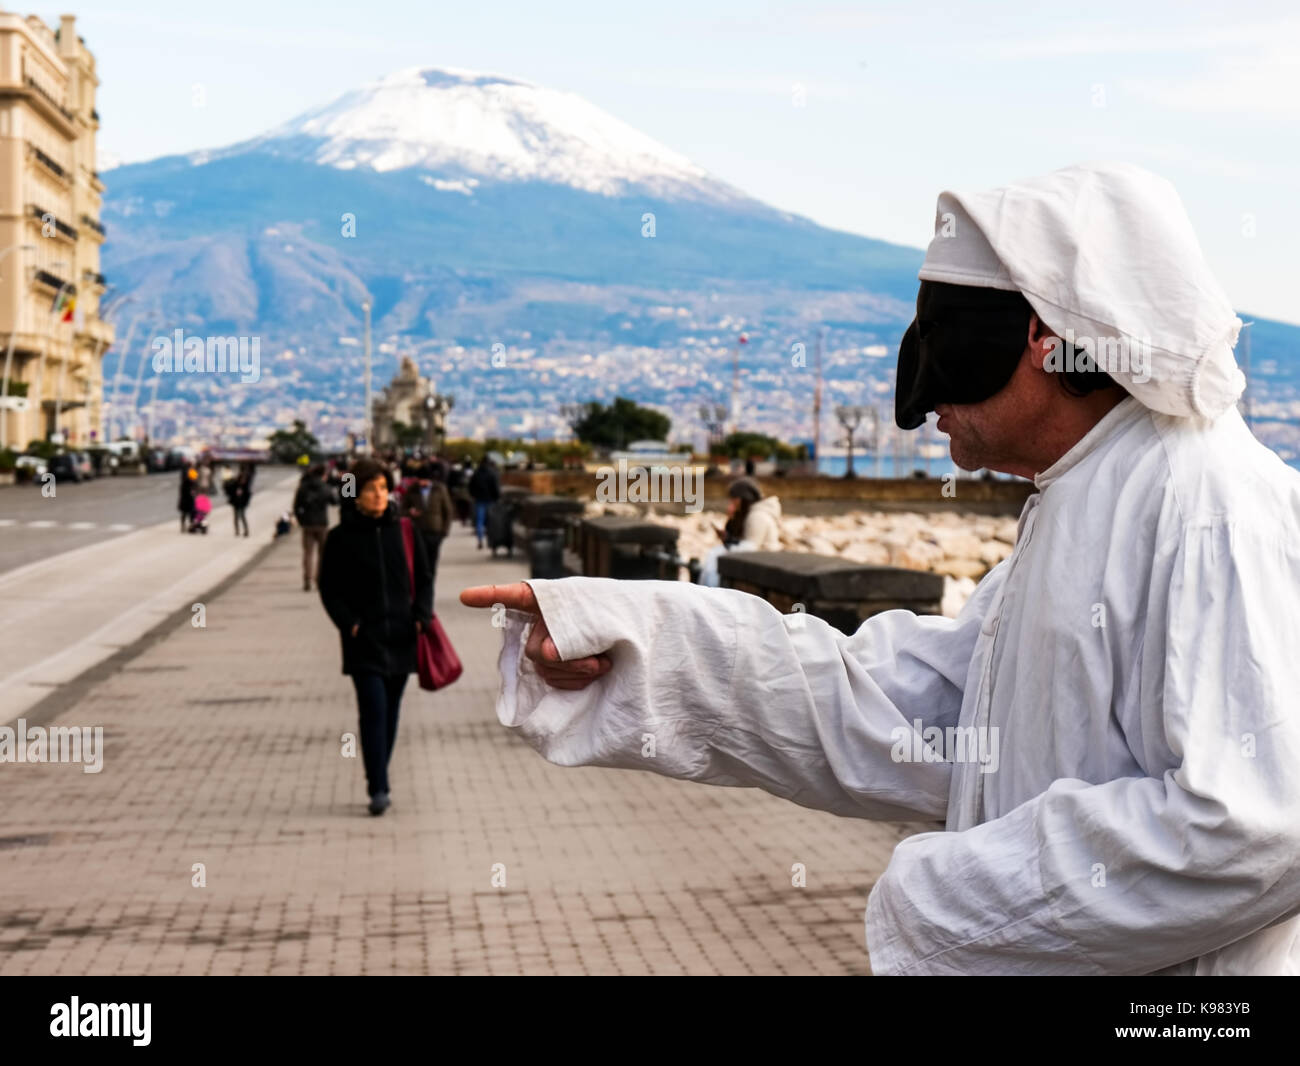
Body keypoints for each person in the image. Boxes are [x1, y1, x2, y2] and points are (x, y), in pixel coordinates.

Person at [461, 163, 1300, 975]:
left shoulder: (1207, 507)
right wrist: (641, 640)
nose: (920, 399)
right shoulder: (1086, 493)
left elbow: (1257, 820)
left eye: (947, 334)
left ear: (1047, 337)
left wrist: (939, 901)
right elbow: (929, 708)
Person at [318, 458, 432, 816]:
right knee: (373, 709)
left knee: (392, 711)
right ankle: (378, 786)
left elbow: (425, 579)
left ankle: (380, 772)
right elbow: (329, 588)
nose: (379, 495)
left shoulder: (405, 530)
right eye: (370, 489)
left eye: (383, 487)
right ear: (354, 494)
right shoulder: (340, 538)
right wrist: (348, 623)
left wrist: (421, 617)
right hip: (363, 640)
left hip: (401, 636)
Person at [698, 477, 782, 587]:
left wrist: (728, 542)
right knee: (715, 554)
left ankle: (711, 590)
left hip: (765, 561)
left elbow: (750, 548)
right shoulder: (750, 513)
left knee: (715, 555)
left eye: (734, 498)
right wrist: (732, 521)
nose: (732, 501)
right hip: (758, 558)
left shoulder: (757, 516)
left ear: (743, 498)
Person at [401, 462, 454, 597]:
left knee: (431, 561)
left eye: (424, 480)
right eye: (420, 480)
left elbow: (448, 510)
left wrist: (445, 531)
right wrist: (410, 512)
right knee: (420, 563)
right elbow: (402, 509)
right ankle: (420, 588)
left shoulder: (440, 489)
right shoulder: (412, 489)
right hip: (417, 531)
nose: (422, 483)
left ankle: (429, 588)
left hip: (435, 530)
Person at [293, 464, 334, 591]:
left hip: (308, 524)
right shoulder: (325, 487)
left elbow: (296, 506)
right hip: (322, 524)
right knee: (322, 554)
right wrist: (347, 483)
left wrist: (301, 521)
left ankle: (307, 579)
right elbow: (335, 501)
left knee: (308, 553)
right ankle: (319, 579)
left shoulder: (303, 487)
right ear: (323, 475)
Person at [468, 454, 500, 550]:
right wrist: (496, 498)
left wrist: (474, 495)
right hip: (490, 500)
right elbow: (495, 487)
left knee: (479, 521)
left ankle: (480, 540)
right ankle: (490, 540)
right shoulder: (492, 473)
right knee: (491, 521)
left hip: (479, 499)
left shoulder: (476, 473)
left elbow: (470, 486)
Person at [225, 464, 253, 537]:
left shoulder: (246, 485)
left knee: (242, 516)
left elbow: (248, 495)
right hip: (236, 502)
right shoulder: (236, 482)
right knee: (236, 516)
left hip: (242, 502)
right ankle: (237, 531)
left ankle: (245, 530)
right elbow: (230, 489)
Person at [177, 465, 196, 533]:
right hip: (186, 500)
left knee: (188, 514)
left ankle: (189, 525)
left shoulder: (190, 482)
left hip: (187, 500)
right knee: (186, 513)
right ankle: (185, 526)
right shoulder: (187, 483)